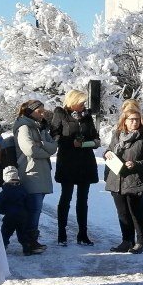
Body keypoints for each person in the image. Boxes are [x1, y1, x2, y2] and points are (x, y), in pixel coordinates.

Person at [48, 90, 100, 246]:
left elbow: (93, 134)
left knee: (83, 199)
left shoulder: (86, 116)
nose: (84, 105)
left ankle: (82, 233)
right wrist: (70, 143)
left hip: (85, 161)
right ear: (73, 101)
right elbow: (54, 135)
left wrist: (94, 140)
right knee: (66, 197)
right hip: (68, 161)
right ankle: (61, 232)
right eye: (81, 102)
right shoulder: (61, 114)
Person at [104, 105, 143, 254]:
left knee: (136, 213)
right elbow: (110, 150)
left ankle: (140, 242)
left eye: (137, 120)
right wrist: (107, 153)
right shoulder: (117, 135)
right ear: (124, 121)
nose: (135, 122)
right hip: (117, 179)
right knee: (123, 214)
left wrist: (136, 164)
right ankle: (126, 240)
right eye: (131, 119)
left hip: (134, 181)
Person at [14, 99, 56, 252]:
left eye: (43, 111)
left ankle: (32, 240)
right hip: (30, 172)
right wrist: (45, 148)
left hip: (42, 172)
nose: (42, 114)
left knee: (36, 209)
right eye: (39, 111)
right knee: (34, 208)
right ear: (30, 111)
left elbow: (54, 147)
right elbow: (30, 150)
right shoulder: (24, 127)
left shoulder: (41, 128)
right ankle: (29, 242)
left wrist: (42, 144)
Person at [0, 166, 40, 255]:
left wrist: (2, 211)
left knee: (5, 232)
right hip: (22, 216)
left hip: (9, 217)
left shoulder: (4, 192)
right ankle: (26, 248)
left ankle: (2, 246)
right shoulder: (23, 190)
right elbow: (29, 202)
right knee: (22, 233)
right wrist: (27, 212)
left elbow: (0, 205)